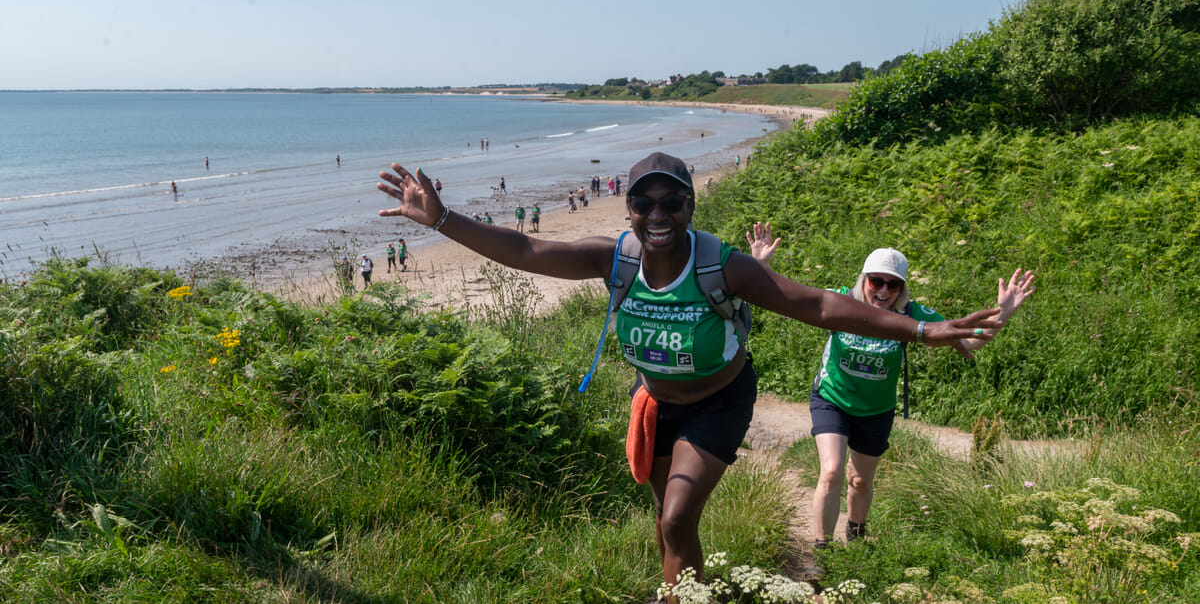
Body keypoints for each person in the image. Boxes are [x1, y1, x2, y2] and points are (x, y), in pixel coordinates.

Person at [376, 152, 1002, 594]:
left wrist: (922, 330)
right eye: (643, 202)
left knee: (677, 517)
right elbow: (527, 250)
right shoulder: (615, 258)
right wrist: (442, 219)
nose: (658, 214)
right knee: (667, 517)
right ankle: (679, 592)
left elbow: (816, 305)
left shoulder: (723, 267)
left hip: (718, 404)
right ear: (629, 208)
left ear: (689, 206)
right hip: (654, 402)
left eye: (671, 202)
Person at [746, 223, 1034, 581]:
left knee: (859, 481)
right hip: (832, 398)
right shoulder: (840, 300)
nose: (883, 291)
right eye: (876, 281)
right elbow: (787, 297)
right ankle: (821, 554)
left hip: (876, 410)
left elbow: (967, 340)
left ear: (902, 288)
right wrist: (762, 266)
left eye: (892, 284)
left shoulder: (913, 315)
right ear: (864, 279)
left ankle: (857, 537)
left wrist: (1004, 312)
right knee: (832, 471)